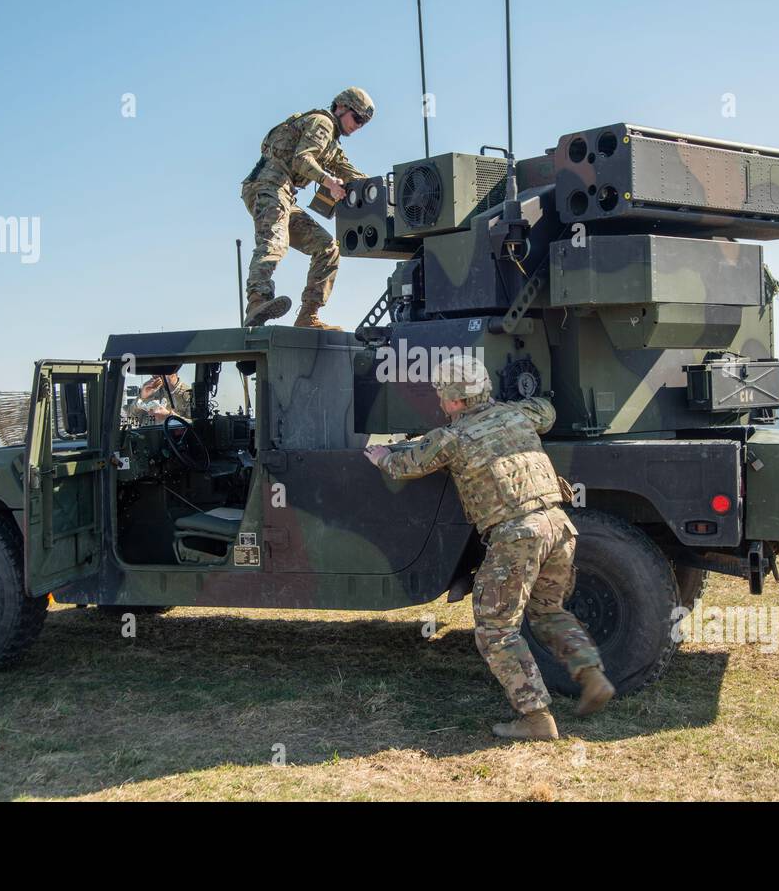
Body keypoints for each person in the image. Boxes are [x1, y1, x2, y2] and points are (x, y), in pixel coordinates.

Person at [364, 356, 614, 740]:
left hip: (518, 535)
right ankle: (591, 674)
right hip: (559, 526)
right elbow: (545, 412)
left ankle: (535, 717)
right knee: (547, 610)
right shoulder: (518, 415)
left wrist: (382, 457)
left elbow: (407, 465)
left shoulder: (452, 437)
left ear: (453, 400)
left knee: (496, 631)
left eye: (442, 396)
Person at [240, 87, 375, 331]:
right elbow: (302, 159)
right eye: (357, 118)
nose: (359, 125)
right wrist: (329, 182)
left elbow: (350, 171)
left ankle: (308, 316)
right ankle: (257, 300)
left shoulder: (331, 142)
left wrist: (382, 189)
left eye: (363, 123)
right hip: (268, 188)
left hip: (284, 196)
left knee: (327, 248)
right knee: (275, 242)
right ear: (342, 108)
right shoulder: (322, 123)